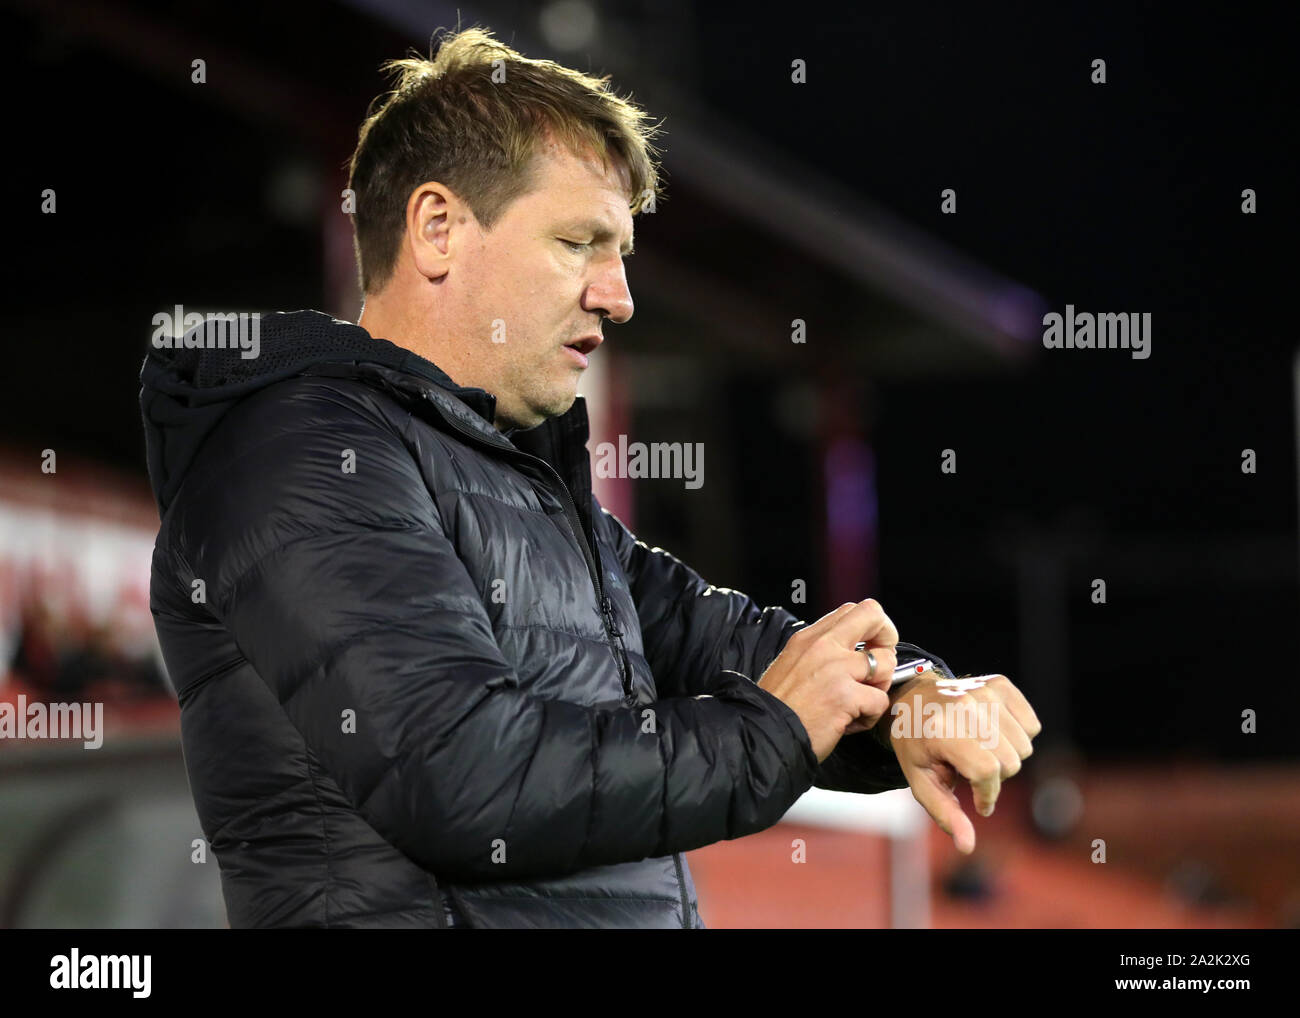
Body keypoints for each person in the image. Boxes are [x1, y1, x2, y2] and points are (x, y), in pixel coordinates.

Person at [139, 26, 1039, 929]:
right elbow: (458, 774)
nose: (620, 294)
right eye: (580, 242)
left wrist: (915, 698)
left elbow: (744, 643)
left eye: (622, 254)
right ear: (439, 229)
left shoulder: (534, 498)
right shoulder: (297, 448)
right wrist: (773, 728)